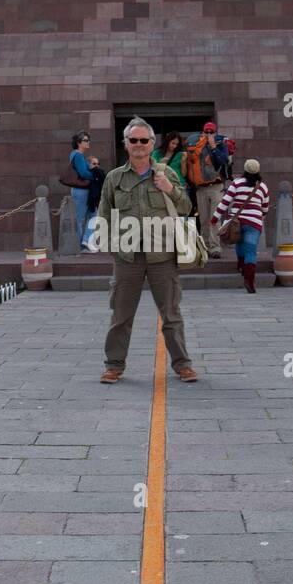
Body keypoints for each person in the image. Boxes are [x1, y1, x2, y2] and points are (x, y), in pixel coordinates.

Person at [97, 118, 199, 385]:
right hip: (127, 256)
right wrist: (112, 248)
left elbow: (187, 207)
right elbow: (104, 215)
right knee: (121, 316)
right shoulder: (114, 178)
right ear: (126, 144)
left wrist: (169, 189)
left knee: (171, 315)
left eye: (144, 140)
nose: (139, 145)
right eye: (134, 140)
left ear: (152, 144)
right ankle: (114, 365)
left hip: (162, 256)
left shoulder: (167, 174)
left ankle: (182, 364)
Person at [214, 159, 271, 294]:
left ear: (245, 169)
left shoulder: (237, 183)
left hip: (236, 221)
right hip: (254, 223)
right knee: (250, 251)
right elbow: (265, 208)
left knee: (239, 242)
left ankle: (241, 266)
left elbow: (225, 202)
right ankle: (249, 280)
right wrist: (259, 215)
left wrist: (214, 218)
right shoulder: (263, 187)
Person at [184, 121, 234, 260]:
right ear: (203, 132)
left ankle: (215, 248)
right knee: (204, 219)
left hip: (216, 187)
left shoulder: (221, 144)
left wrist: (213, 147)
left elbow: (223, 161)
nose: (209, 134)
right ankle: (204, 246)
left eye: (211, 132)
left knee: (214, 219)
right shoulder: (197, 146)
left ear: (215, 132)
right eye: (207, 132)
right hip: (201, 188)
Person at [67, 132, 95, 253]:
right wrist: (95, 176)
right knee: (80, 217)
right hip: (81, 190)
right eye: (85, 140)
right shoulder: (77, 155)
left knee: (94, 215)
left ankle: (84, 242)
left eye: (88, 140)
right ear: (79, 143)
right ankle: (78, 246)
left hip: (84, 190)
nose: (88, 142)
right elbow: (83, 173)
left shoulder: (78, 155)